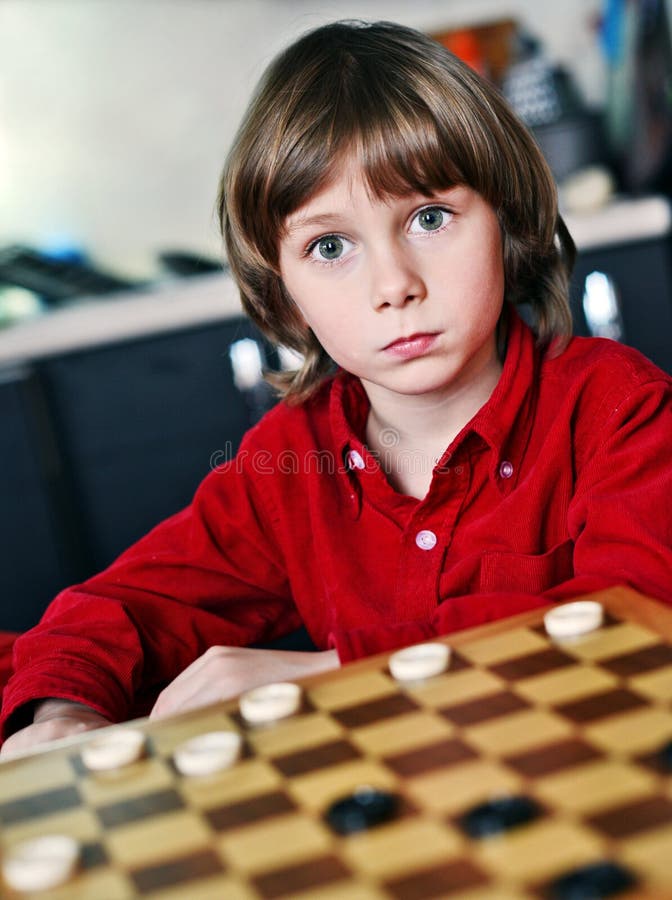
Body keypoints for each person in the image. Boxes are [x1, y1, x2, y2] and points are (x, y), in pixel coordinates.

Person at [2, 20, 671, 756]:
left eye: (428, 217)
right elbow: (132, 605)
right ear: (283, 292)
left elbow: (637, 622)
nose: (394, 286)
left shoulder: (619, 412)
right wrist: (61, 712)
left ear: (507, 223)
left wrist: (333, 674)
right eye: (330, 246)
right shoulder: (289, 461)